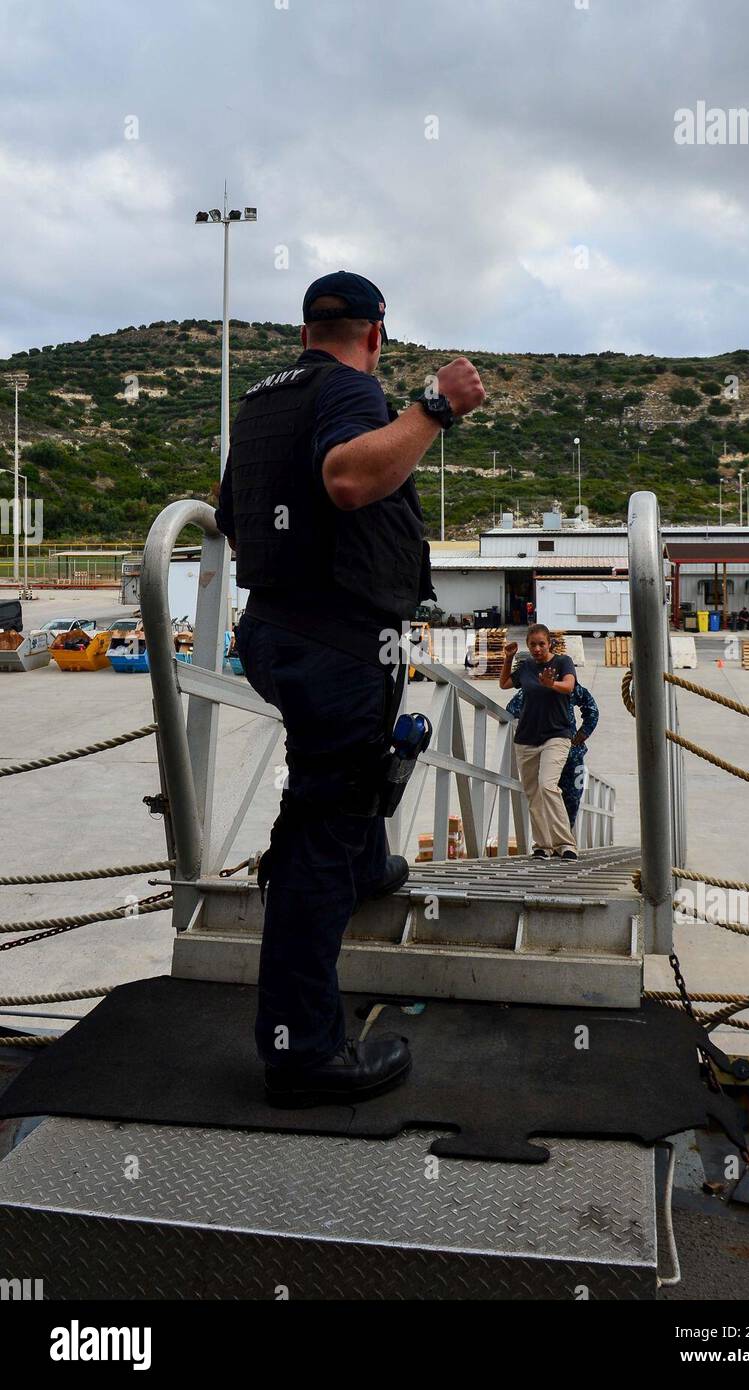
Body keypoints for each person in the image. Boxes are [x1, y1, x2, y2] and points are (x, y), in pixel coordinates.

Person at [216, 271, 485, 1107]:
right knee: (319, 830)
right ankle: (303, 1056)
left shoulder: (264, 401)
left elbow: (231, 515)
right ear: (375, 333)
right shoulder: (349, 390)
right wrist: (433, 407)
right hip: (332, 643)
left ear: (304, 331)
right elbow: (347, 479)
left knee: (347, 776)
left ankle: (365, 866)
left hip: (274, 631)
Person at [499, 624, 579, 859]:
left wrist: (550, 684)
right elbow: (504, 684)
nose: (537, 648)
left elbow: (568, 686)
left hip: (556, 735)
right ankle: (543, 845)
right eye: (532, 644)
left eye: (541, 644)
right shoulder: (526, 668)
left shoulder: (562, 662)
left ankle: (565, 843)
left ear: (549, 643)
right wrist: (508, 658)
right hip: (526, 738)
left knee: (547, 785)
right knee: (533, 792)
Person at [506, 675, 599, 832]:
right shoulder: (529, 692)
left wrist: (583, 733)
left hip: (572, 758)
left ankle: (563, 840)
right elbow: (511, 713)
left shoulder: (569, 688)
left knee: (572, 801)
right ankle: (552, 842)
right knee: (546, 800)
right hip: (547, 755)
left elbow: (592, 709)